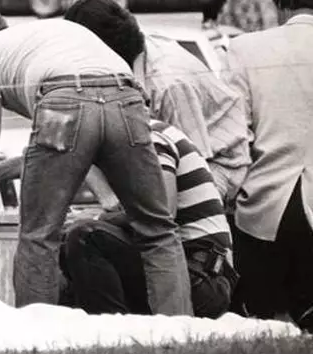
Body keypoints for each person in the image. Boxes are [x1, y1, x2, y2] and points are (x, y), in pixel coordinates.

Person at [0, 11, 192, 315]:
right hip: (127, 96)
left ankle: (41, 345)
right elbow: (83, 136)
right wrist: (108, 197)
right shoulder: (44, 37)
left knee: (39, 237)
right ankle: (181, 334)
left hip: (63, 98)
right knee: (158, 230)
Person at [62, 0, 249, 204]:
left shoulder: (169, 83)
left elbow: (192, 168)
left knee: (162, 217)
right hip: (159, 163)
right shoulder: (125, 61)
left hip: (216, 165)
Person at [59, 120, 237, 319]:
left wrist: (96, 216)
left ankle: (112, 335)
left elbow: (162, 214)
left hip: (200, 276)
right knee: (70, 241)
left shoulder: (150, 138)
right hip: (189, 269)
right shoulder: (128, 142)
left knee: (86, 236)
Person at [223, 0, 313, 333]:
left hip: (264, 205)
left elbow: (233, 133)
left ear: (279, 3)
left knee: (256, 323)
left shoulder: (245, 49)